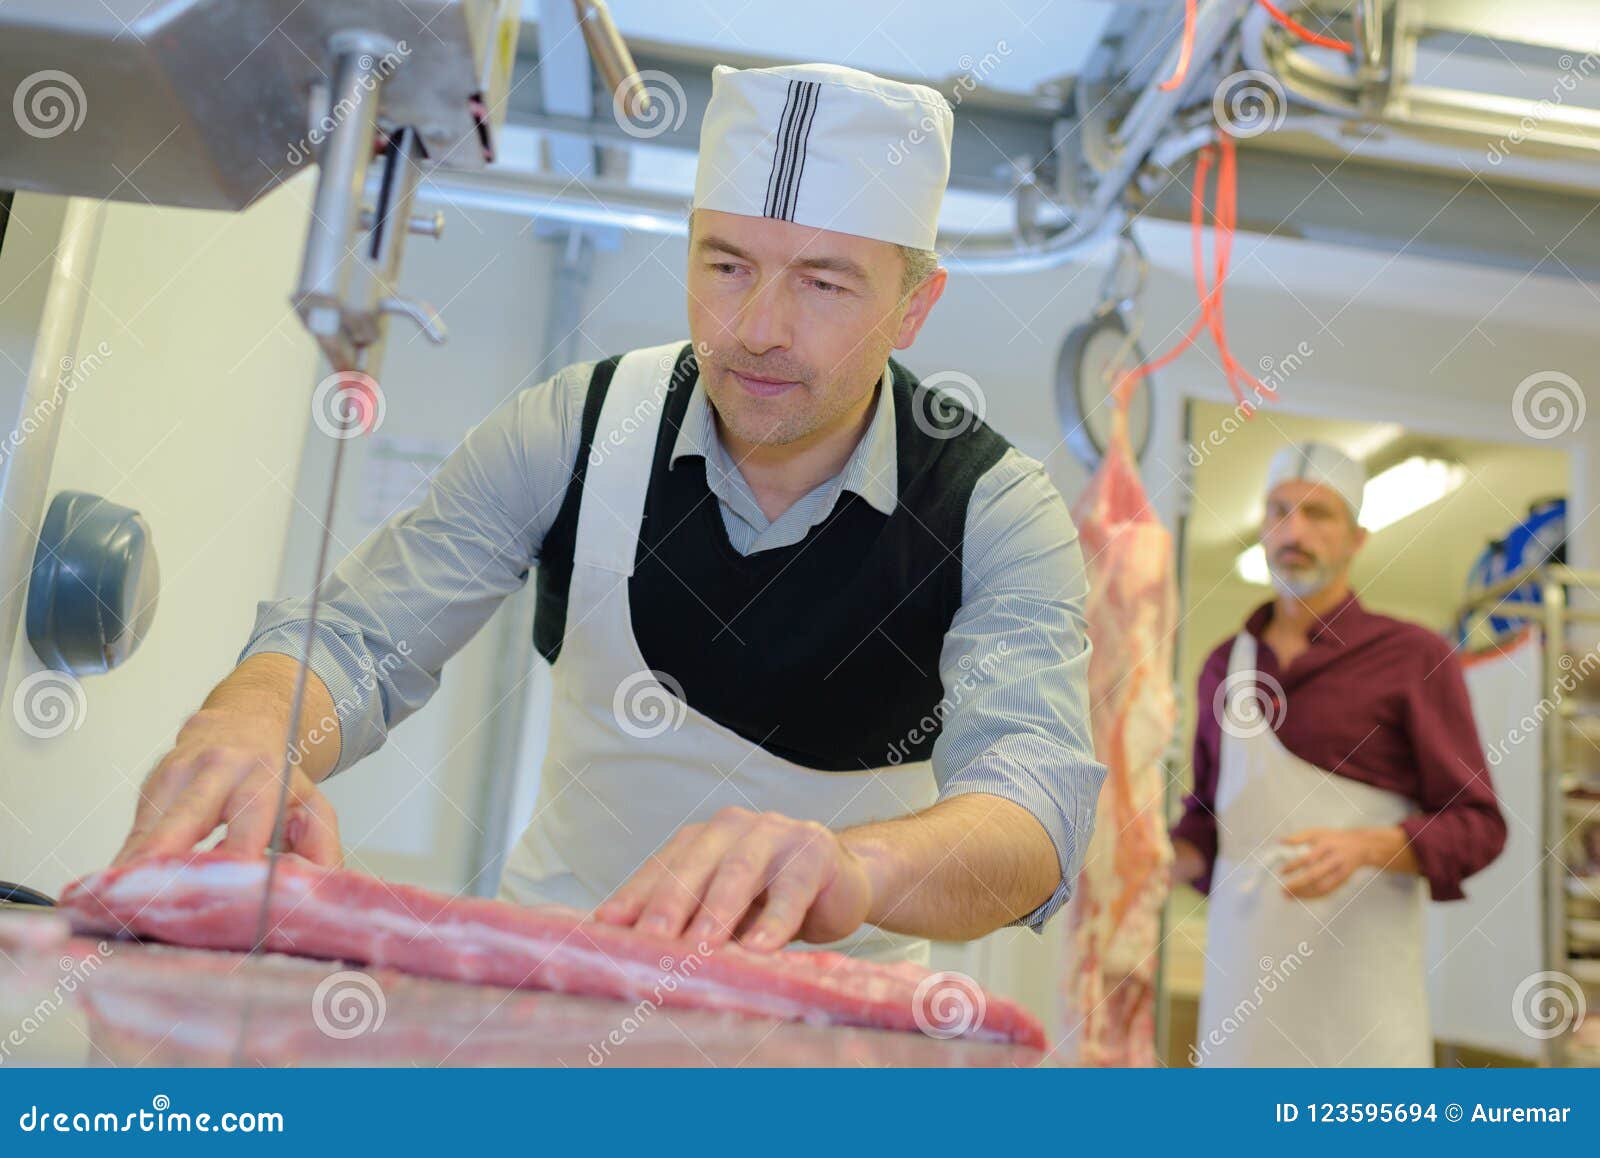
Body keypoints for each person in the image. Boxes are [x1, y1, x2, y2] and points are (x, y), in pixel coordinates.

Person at [114, 62, 1108, 964]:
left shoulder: (990, 511)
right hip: (552, 987)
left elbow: (1030, 814)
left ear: (913, 307)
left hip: (827, 1037)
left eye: (823, 282)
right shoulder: (574, 428)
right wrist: (250, 733)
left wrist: (854, 872)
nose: (759, 329)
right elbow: (364, 640)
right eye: (726, 267)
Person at [1172, 441, 1507, 1065]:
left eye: (1317, 514)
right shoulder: (1225, 665)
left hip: (1361, 1010)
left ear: (1357, 537)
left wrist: (1370, 847)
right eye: (1278, 511)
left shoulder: (1412, 657)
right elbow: (1208, 823)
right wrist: (1149, 858)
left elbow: (1479, 826)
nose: (1292, 530)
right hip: (1241, 1002)